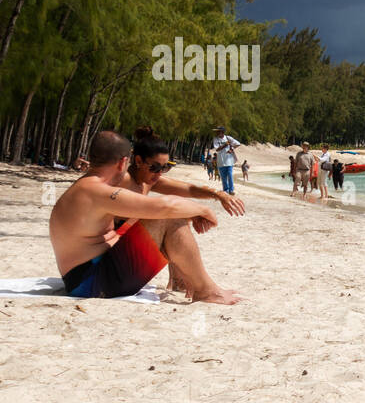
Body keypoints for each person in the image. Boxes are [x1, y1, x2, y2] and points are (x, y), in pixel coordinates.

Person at [48, 130, 219, 300]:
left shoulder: (85, 187)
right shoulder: (97, 191)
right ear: (124, 162)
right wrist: (204, 210)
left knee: (165, 216)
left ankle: (182, 279)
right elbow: (164, 207)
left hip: (82, 278)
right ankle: (206, 291)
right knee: (170, 217)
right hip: (93, 283)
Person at [120, 126, 243, 303]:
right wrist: (197, 212)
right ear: (138, 161)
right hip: (115, 265)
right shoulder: (125, 181)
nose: (159, 174)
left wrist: (219, 195)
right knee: (171, 214)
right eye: (155, 167)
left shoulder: (148, 179)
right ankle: (204, 290)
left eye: (165, 168)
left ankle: (178, 281)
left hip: (127, 259)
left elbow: (189, 189)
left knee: (173, 214)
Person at [211, 127, 241, 195]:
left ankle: (231, 190)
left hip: (229, 161)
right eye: (217, 132)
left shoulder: (228, 138)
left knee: (230, 175)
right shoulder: (215, 139)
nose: (217, 133)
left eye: (219, 131)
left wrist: (232, 149)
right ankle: (226, 190)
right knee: (223, 177)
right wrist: (225, 144)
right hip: (220, 161)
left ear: (222, 132)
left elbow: (238, 143)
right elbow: (217, 149)